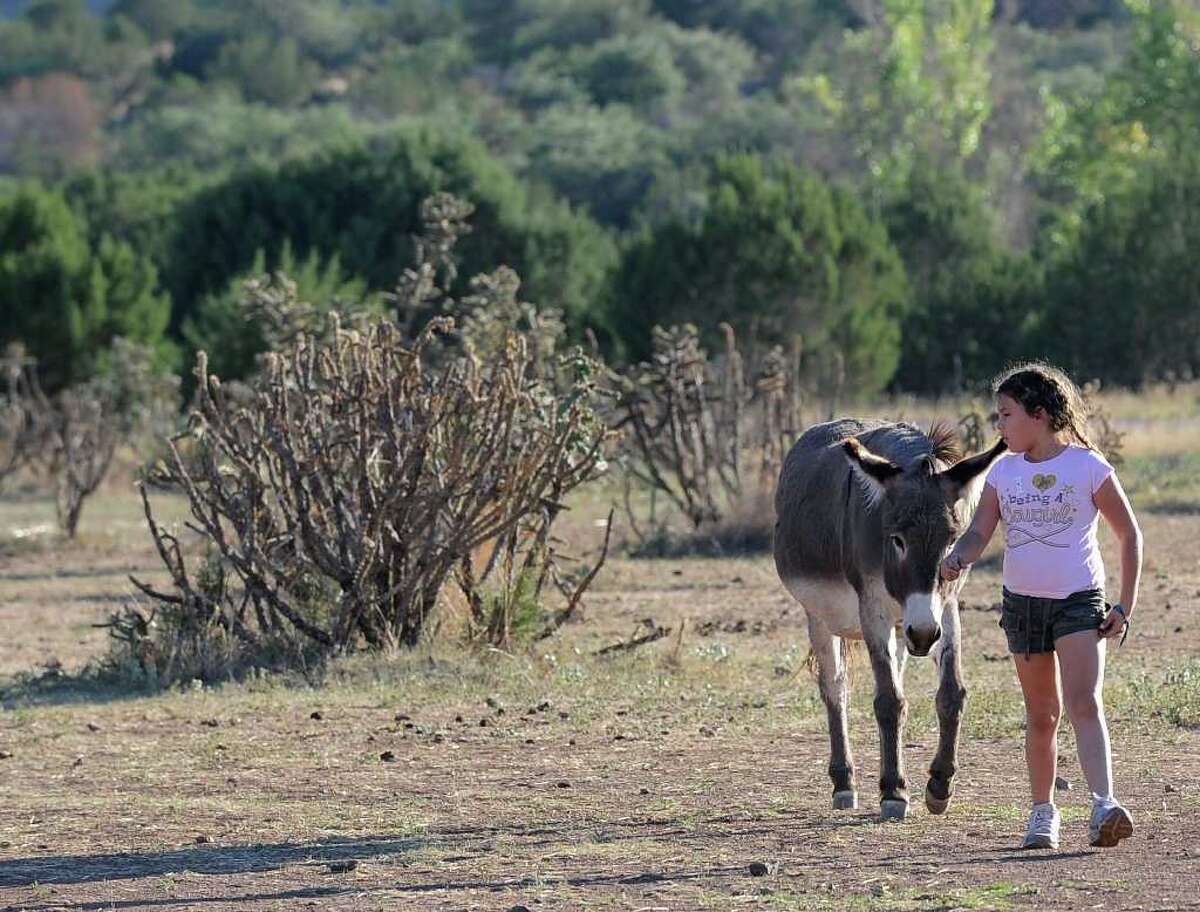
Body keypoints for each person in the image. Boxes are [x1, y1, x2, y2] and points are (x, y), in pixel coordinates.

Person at [940, 362, 1142, 850]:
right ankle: (1042, 814)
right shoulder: (1003, 473)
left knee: (1083, 703)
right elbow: (978, 533)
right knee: (1041, 714)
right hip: (1023, 607)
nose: (999, 425)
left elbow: (1129, 535)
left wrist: (1124, 605)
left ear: (1040, 413)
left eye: (1006, 414)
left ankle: (1103, 805)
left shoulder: (1088, 467)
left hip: (1078, 603)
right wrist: (956, 559)